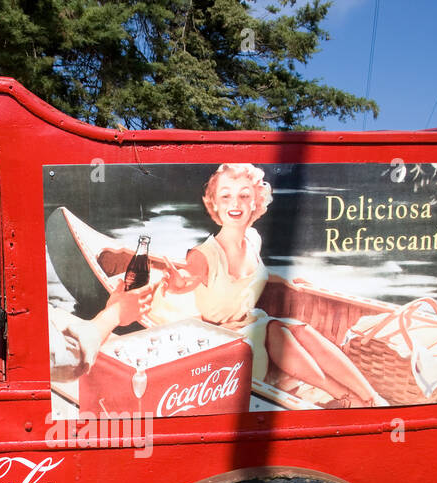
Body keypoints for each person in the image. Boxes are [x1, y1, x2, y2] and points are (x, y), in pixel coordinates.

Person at [157, 162, 385, 408]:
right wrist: (178, 284)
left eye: (244, 195)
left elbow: (256, 274)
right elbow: (187, 280)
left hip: (251, 322)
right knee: (278, 332)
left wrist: (286, 280)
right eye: (226, 196)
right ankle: (345, 397)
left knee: (301, 330)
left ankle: (371, 397)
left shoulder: (253, 239)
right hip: (223, 342)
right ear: (213, 203)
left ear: (256, 201)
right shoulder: (202, 256)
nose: (235, 204)